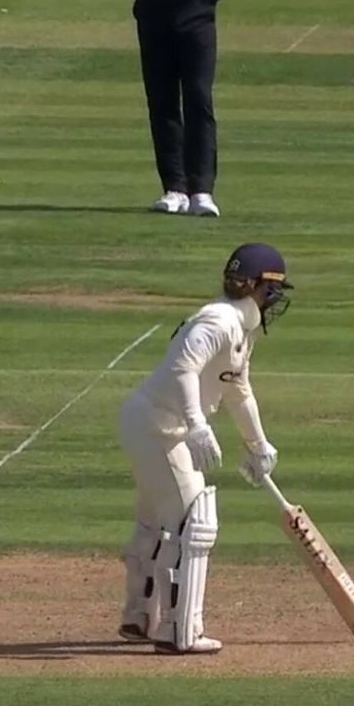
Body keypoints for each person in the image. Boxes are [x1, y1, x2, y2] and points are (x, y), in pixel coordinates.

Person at [117, 242, 292, 653]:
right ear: (257, 286)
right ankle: (180, 631)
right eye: (272, 288)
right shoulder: (219, 322)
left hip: (148, 422)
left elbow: (238, 392)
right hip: (160, 425)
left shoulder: (239, 329)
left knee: (155, 521)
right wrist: (196, 424)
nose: (274, 298)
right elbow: (184, 368)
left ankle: (140, 615)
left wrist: (259, 446)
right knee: (193, 519)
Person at [131, 0, 223, 217]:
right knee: (161, 98)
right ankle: (175, 188)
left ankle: (201, 190)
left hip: (196, 1)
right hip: (151, 2)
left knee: (199, 96)